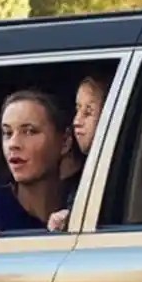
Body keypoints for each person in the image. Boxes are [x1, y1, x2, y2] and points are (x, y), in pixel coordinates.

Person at [0, 89, 73, 242]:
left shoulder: (84, 199)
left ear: (65, 142)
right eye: (7, 133)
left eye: (30, 132)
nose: (13, 144)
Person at [48, 71, 113, 231]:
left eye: (88, 112)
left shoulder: (113, 176)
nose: (76, 121)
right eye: (77, 110)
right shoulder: (78, 181)